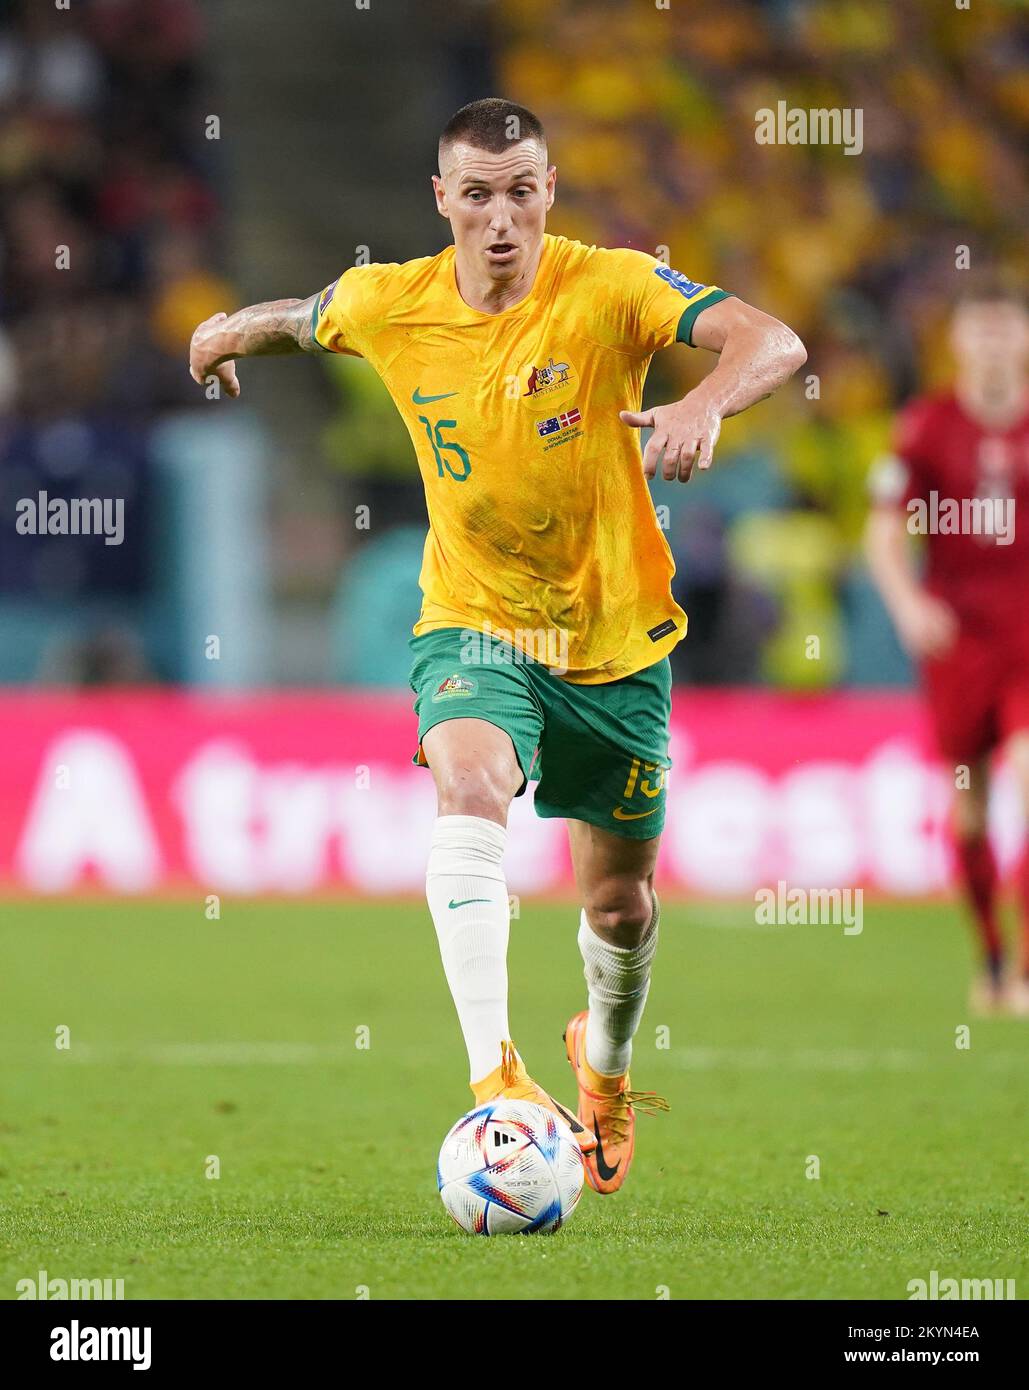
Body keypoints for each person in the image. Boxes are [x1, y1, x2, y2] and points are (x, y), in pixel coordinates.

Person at [189, 98, 806, 1193]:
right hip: (474, 620)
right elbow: (310, 315)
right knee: (468, 785)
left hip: (614, 642)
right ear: (443, 201)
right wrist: (224, 332)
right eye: (478, 194)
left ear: (550, 190)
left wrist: (704, 403)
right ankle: (498, 1078)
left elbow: (775, 340)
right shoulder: (398, 300)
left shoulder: (611, 285)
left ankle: (603, 1070)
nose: (502, 218)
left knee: (617, 903)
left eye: (522, 189)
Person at [866, 279, 1029, 1016]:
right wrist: (906, 603)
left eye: (1006, 330)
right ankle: (991, 960)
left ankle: (1024, 966)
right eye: (981, 331)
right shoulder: (926, 426)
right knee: (968, 810)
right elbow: (882, 528)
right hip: (958, 642)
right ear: (958, 342)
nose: (993, 344)